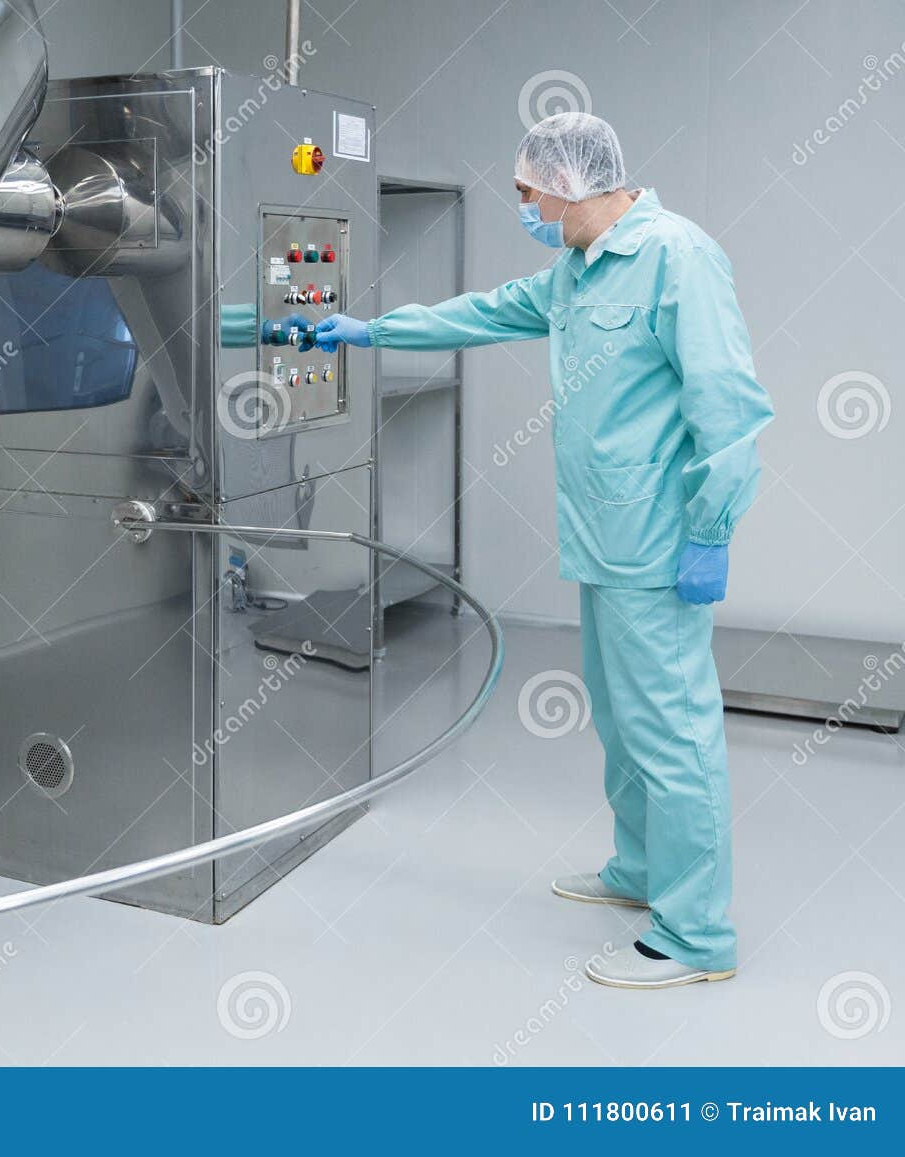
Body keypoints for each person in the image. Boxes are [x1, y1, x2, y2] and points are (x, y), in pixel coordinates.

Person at [315, 112, 774, 990]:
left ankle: (697, 933)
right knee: (619, 717)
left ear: (570, 183)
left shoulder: (677, 257)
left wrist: (711, 533)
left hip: (659, 544)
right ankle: (641, 868)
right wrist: (372, 330)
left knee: (672, 731)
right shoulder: (574, 272)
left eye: (527, 193)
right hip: (603, 540)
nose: (521, 206)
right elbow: (481, 313)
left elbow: (729, 404)